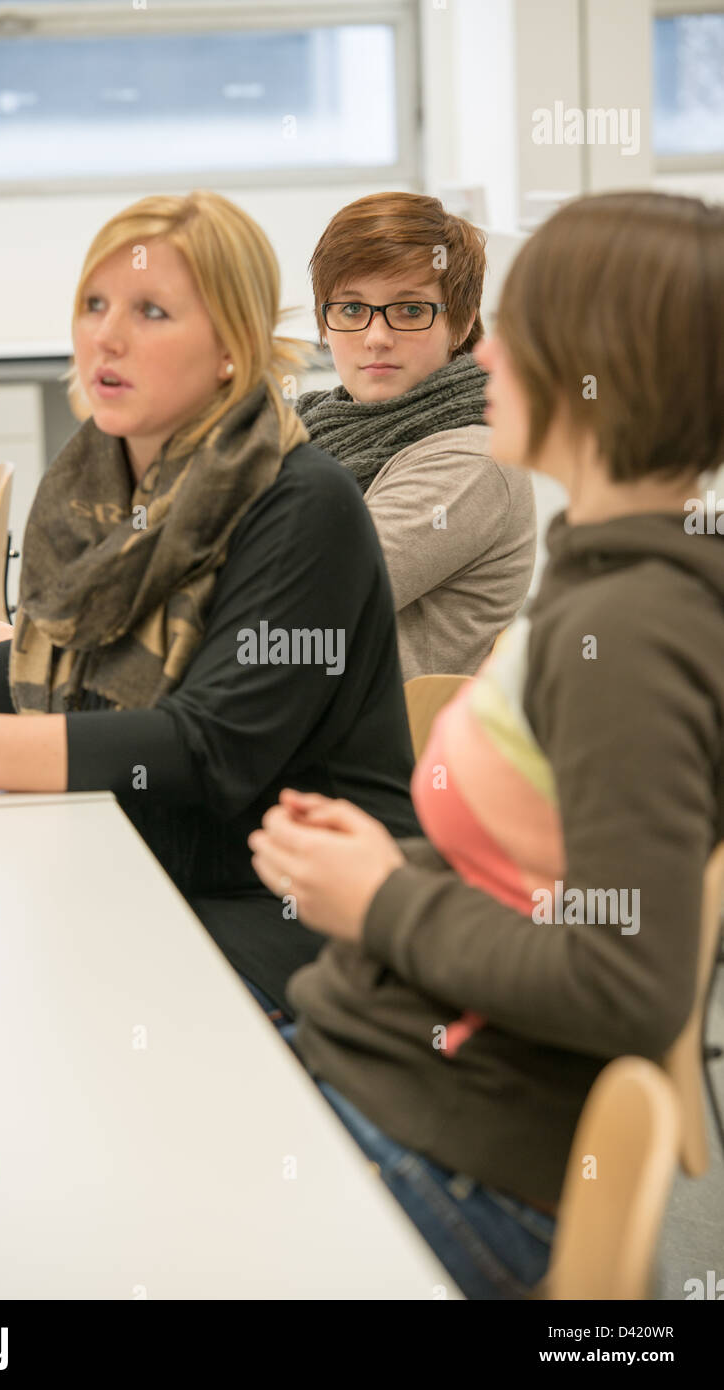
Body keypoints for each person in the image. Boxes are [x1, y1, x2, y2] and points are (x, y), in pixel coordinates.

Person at [249, 190, 724, 1298]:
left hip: (467, 1150)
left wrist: (379, 898)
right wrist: (387, 865)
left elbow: (629, 980)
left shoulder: (632, 629)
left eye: (528, 322)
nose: (491, 348)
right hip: (415, 1067)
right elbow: (529, 881)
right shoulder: (607, 587)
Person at [0, 190, 421, 1017]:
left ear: (232, 345)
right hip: (148, 850)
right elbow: (42, 664)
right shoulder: (108, 478)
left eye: (151, 311)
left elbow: (201, 748)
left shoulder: (301, 504)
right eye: (94, 305)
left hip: (282, 904)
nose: (105, 336)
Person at [297, 192, 536, 680]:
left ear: (462, 322)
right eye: (351, 309)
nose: (376, 336)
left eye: (409, 310)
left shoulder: (473, 460)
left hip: (358, 746)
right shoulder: (311, 426)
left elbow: (302, 601)